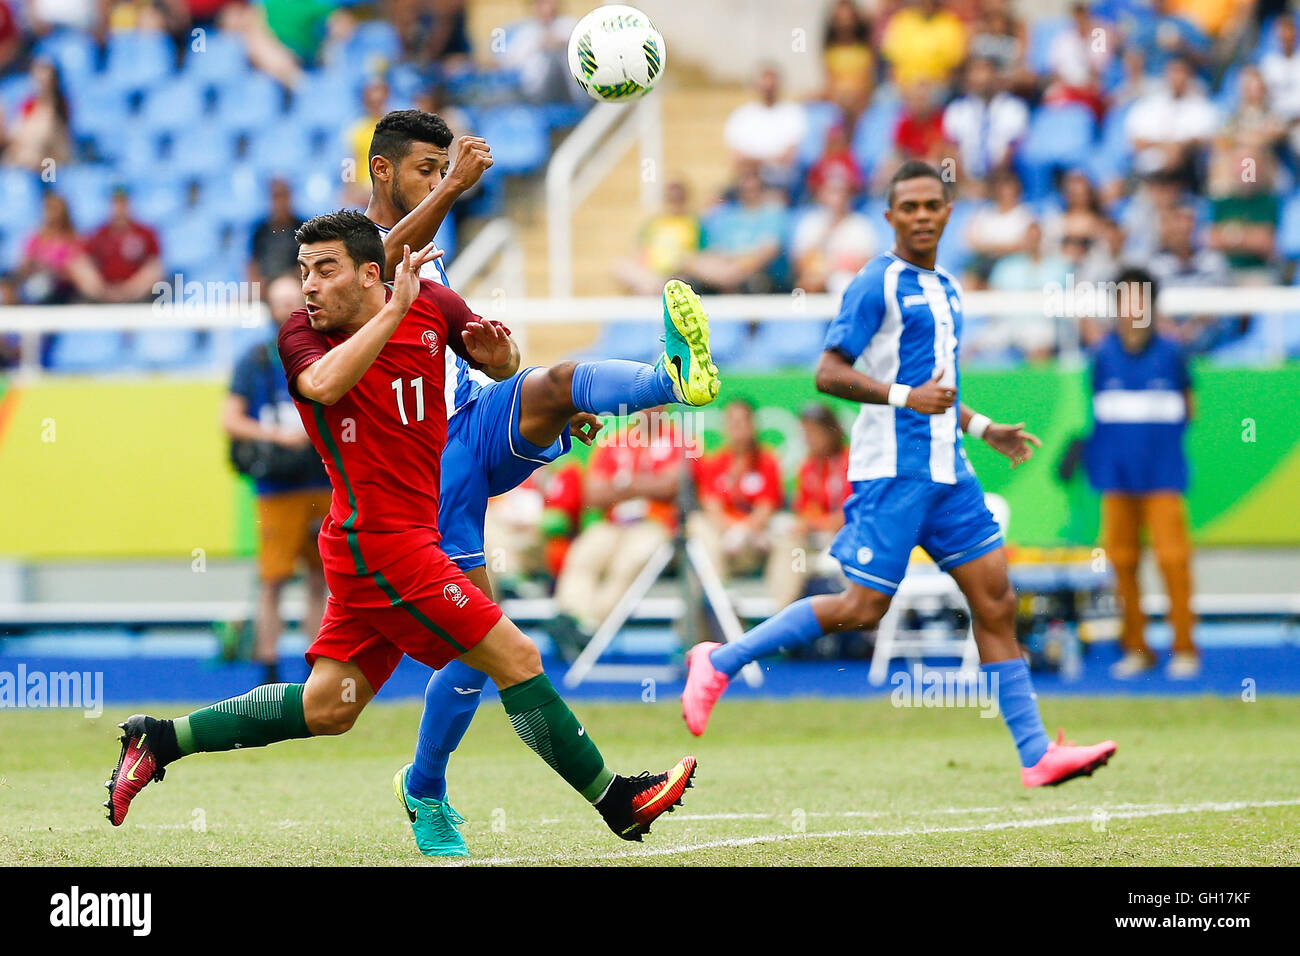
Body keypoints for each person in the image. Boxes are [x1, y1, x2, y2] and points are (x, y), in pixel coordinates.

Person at [104, 213, 700, 846]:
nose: (308, 286)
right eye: (303, 271)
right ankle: (618, 803)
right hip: (384, 545)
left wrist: (513, 371)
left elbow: (496, 369)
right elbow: (324, 386)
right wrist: (396, 310)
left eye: (324, 270)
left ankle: (161, 739)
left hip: (386, 542)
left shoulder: (429, 305)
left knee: (329, 706)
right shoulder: (304, 337)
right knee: (515, 657)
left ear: (368, 274)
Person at [681, 160, 1118, 789]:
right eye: (907, 206)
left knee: (996, 600)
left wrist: (981, 426)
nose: (919, 215)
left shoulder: (948, 288)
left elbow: (939, 385)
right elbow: (828, 373)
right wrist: (901, 397)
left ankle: (1035, 753)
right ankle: (720, 661)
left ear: (947, 214)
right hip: (893, 470)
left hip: (951, 470)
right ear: (890, 217)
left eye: (930, 206)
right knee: (863, 608)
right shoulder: (874, 284)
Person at [360, 109, 722, 856]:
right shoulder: (350, 249)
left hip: (473, 419)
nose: (438, 181)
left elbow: (488, 355)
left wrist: (501, 356)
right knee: (477, 648)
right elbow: (369, 270)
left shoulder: (432, 258)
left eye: (442, 169)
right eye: (425, 170)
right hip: (422, 463)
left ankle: (670, 378)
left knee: (555, 381)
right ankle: (424, 785)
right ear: (384, 172)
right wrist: (455, 189)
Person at [1087, 268, 1199, 680]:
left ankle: (1185, 648)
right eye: (1124, 300)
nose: (1131, 309)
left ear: (1152, 306)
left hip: (1164, 477)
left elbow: (1189, 408)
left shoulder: (1173, 354)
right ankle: (1137, 650)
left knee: (1174, 562)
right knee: (1122, 563)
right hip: (1115, 479)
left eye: (1140, 300)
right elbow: (1099, 411)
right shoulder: (1101, 356)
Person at [222, 273, 331, 686]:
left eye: (294, 300)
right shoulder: (256, 360)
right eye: (280, 301)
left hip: (323, 481)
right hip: (278, 486)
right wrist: (277, 437)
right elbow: (229, 419)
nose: (287, 309)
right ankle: (267, 670)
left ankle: (315, 668)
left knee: (321, 578)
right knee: (273, 578)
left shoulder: (328, 350)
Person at [552, 409, 684, 641]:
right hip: (614, 524)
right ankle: (570, 617)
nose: (647, 409)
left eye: (654, 403)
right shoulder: (617, 440)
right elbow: (592, 492)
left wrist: (622, 483)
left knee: (628, 560)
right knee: (585, 551)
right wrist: (645, 484)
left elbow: (671, 485)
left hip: (654, 524)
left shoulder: (678, 440)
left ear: (664, 407)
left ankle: (591, 626)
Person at [688, 399, 791, 596]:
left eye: (741, 422)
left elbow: (765, 510)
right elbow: (711, 507)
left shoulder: (767, 461)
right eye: (731, 422)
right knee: (697, 527)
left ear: (752, 425)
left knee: (783, 529)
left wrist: (742, 531)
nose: (736, 428)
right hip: (721, 540)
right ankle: (716, 598)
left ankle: (717, 599)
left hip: (752, 540)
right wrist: (730, 531)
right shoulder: (715, 462)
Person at [81, 187, 163, 304]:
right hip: (103, 295)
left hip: (138, 296)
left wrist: (128, 291)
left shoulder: (145, 233)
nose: (119, 207)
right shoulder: (98, 234)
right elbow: (85, 263)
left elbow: (154, 266)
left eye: (122, 202)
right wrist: (102, 289)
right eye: (116, 203)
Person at [248, 178, 304, 289]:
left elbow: (307, 264)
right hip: (264, 285)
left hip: (293, 285)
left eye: (283, 196)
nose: (280, 202)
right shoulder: (260, 230)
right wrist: (257, 284)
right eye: (276, 196)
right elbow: (252, 263)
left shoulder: (303, 228)